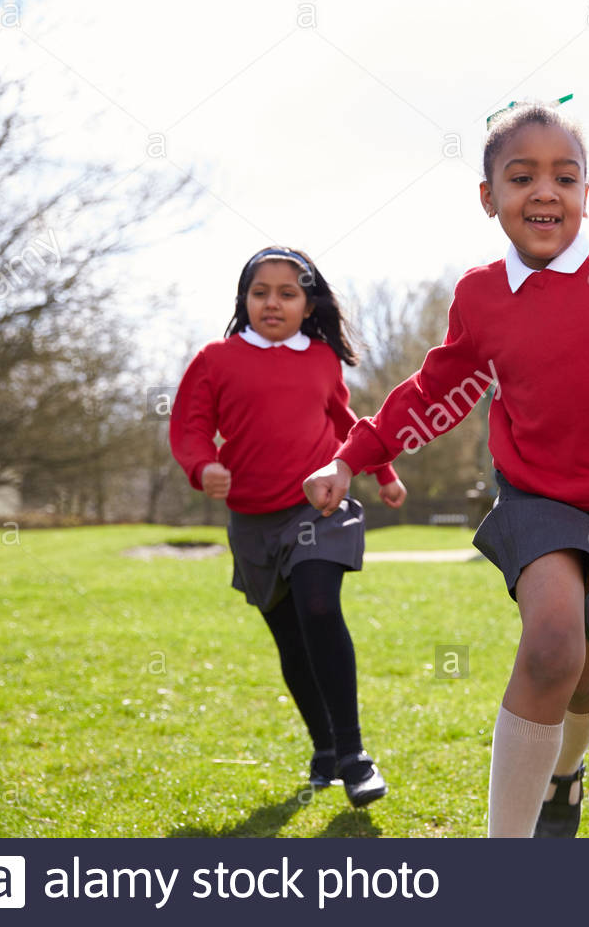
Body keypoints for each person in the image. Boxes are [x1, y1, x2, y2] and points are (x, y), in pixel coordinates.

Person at [302, 102, 589, 836]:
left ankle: (564, 779)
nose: (546, 191)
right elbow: (434, 391)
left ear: (586, 193)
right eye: (522, 176)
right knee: (550, 648)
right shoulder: (482, 295)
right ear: (489, 199)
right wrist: (352, 457)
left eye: (564, 177)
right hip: (539, 497)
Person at [170, 246, 405, 808]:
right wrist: (204, 467)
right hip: (253, 522)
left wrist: (381, 471)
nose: (272, 303)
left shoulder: (321, 359)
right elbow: (190, 426)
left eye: (287, 293)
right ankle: (324, 748)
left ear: (307, 304)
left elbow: (344, 422)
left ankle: (354, 757)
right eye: (260, 292)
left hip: (317, 507)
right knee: (292, 642)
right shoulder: (215, 359)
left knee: (320, 607)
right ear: (244, 300)